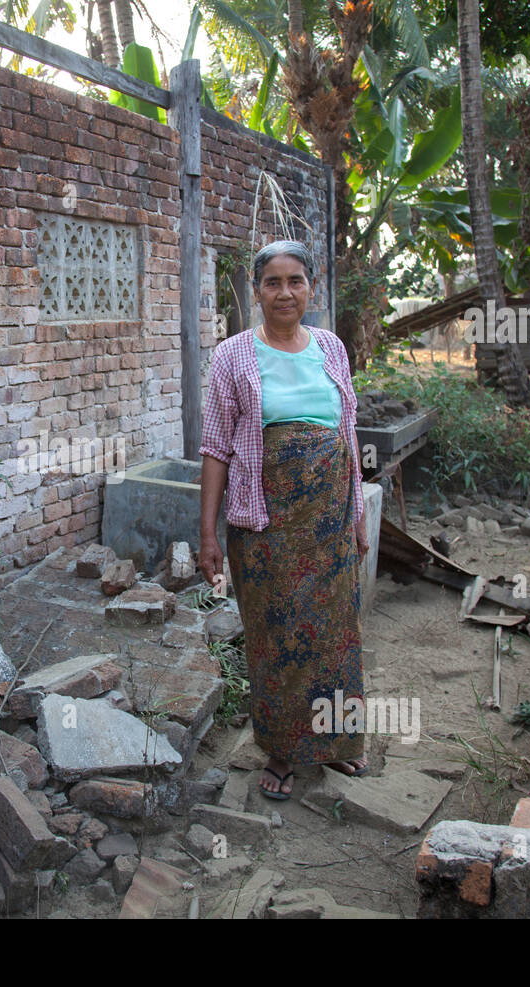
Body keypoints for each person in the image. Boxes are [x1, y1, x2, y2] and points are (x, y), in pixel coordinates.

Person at [198, 239, 369, 801]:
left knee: (333, 632)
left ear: (312, 288)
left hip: (330, 519)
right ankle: (282, 750)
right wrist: (207, 533)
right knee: (276, 636)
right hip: (265, 523)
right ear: (256, 290)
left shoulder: (332, 348)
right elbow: (217, 447)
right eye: (273, 282)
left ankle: (335, 741)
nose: (285, 293)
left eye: (296, 281)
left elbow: (348, 433)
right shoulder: (232, 356)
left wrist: (359, 514)